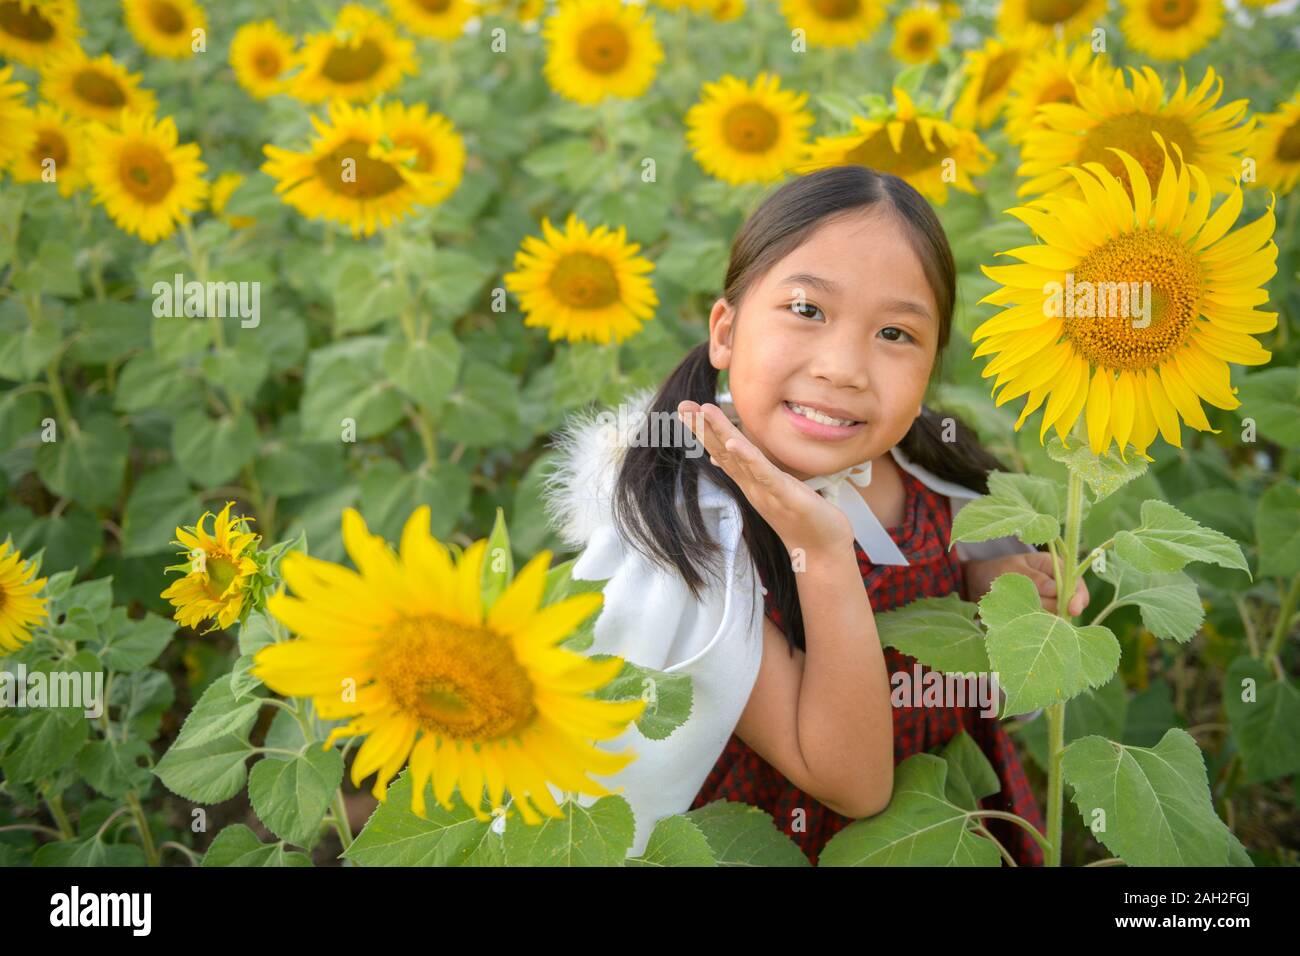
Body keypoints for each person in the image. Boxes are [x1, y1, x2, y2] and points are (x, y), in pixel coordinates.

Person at [535, 164, 1088, 865]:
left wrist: (1004, 595)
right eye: (807, 310)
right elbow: (851, 783)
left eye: (895, 334)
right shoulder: (697, 540)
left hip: (952, 823)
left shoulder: (936, 480)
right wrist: (819, 551)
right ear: (726, 333)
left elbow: (999, 664)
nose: (844, 367)